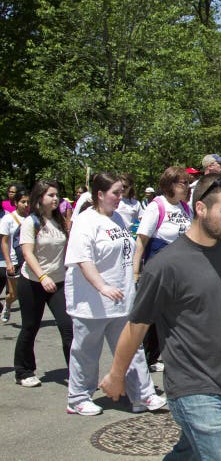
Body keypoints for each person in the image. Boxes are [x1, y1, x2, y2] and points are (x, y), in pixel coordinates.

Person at [99, 173, 221, 460]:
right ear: (201, 209)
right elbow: (136, 327)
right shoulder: (166, 265)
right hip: (191, 388)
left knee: (187, 454)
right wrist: (117, 376)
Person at [64, 173, 165, 416]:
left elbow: (128, 254)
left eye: (122, 192)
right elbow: (82, 259)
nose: (121, 197)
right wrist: (102, 287)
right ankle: (78, 397)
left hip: (122, 300)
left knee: (132, 347)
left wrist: (132, 281)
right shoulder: (86, 221)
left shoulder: (118, 218)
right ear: (100, 194)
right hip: (91, 303)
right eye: (116, 193)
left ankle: (143, 395)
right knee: (87, 351)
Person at [132, 166, 193, 372]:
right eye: (182, 183)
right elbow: (141, 241)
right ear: (170, 185)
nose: (186, 187)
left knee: (177, 315)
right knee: (152, 317)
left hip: (182, 269)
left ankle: (168, 354)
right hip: (160, 268)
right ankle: (143, 360)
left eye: (187, 183)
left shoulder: (185, 208)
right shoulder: (156, 206)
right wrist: (135, 272)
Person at [14, 180, 73, 387]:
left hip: (58, 282)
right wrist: (42, 276)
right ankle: (23, 371)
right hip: (32, 281)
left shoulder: (60, 221)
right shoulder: (31, 222)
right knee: (30, 326)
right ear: (40, 197)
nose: (55, 198)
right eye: (51, 195)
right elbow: (27, 253)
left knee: (68, 326)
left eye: (57, 195)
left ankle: (76, 372)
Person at [0, 188, 29, 323]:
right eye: (23, 202)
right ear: (16, 203)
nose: (26, 205)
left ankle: (29, 319)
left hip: (29, 261)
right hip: (14, 261)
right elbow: (4, 242)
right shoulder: (8, 219)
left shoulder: (32, 218)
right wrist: (8, 262)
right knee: (14, 294)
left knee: (28, 292)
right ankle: (8, 303)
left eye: (28, 202)